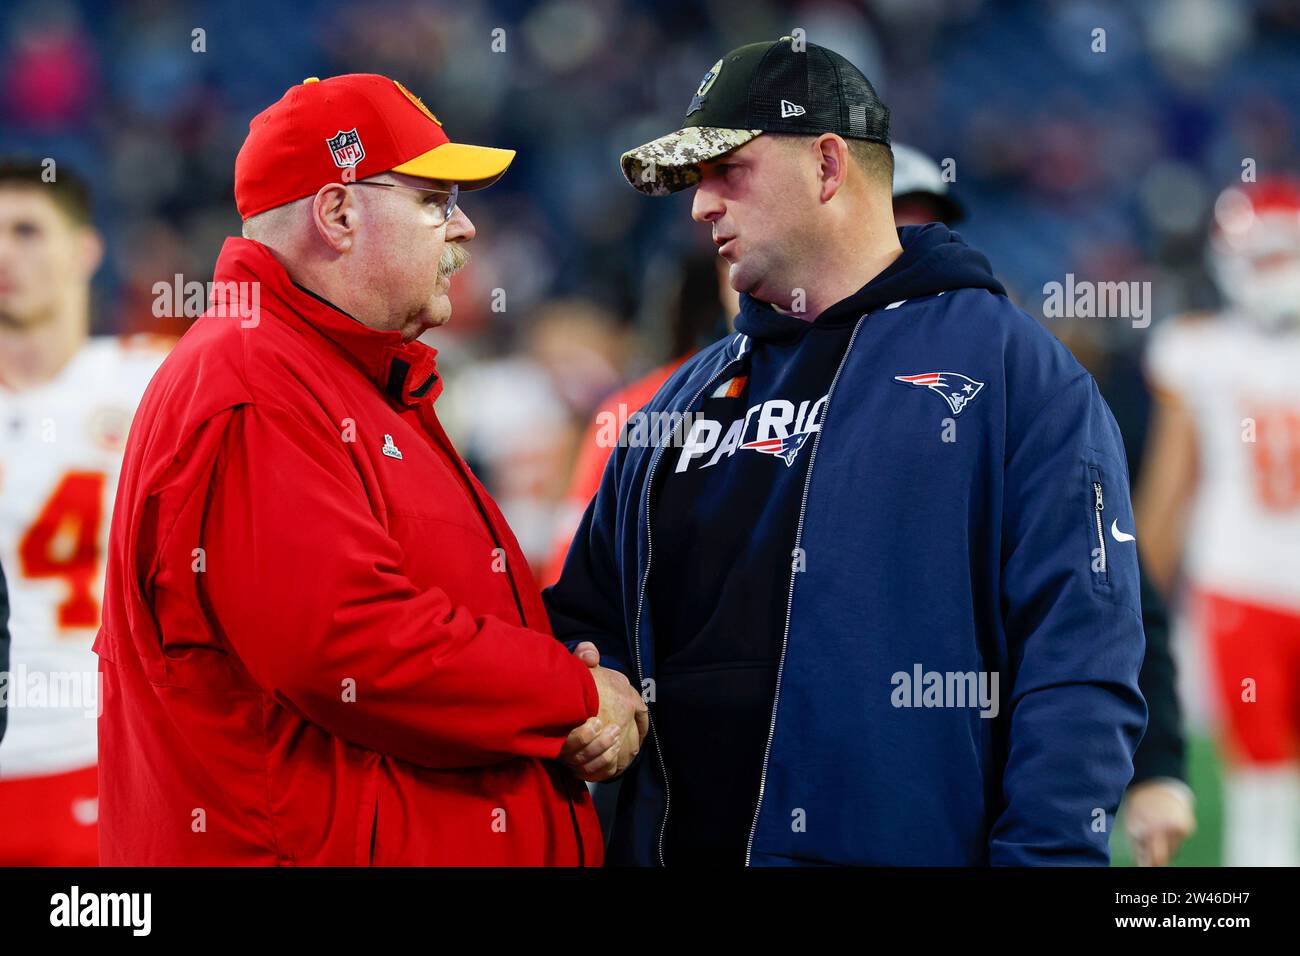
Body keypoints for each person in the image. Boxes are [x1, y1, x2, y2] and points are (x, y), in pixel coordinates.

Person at [545, 37, 1147, 866]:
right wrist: (599, 679)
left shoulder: (1017, 376)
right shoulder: (675, 400)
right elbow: (588, 620)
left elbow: (1079, 665)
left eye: (728, 171)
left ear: (829, 165)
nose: (699, 208)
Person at [95, 73, 645, 865]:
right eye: (435, 201)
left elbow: (416, 609)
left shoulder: (340, 375)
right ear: (339, 211)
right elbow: (345, 643)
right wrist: (570, 695)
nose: (464, 230)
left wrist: (563, 679)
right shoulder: (252, 380)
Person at [0, 159, 169, 865]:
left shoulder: (159, 380)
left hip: (100, 755)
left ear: (85, 251)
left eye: (27, 231)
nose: (4, 254)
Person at [1138, 175, 1300, 867]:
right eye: (1263, 257)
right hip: (1240, 586)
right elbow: (1168, 492)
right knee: (1260, 783)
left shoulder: (1198, 349)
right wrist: (1132, 605)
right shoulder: (1199, 350)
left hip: (1244, 583)